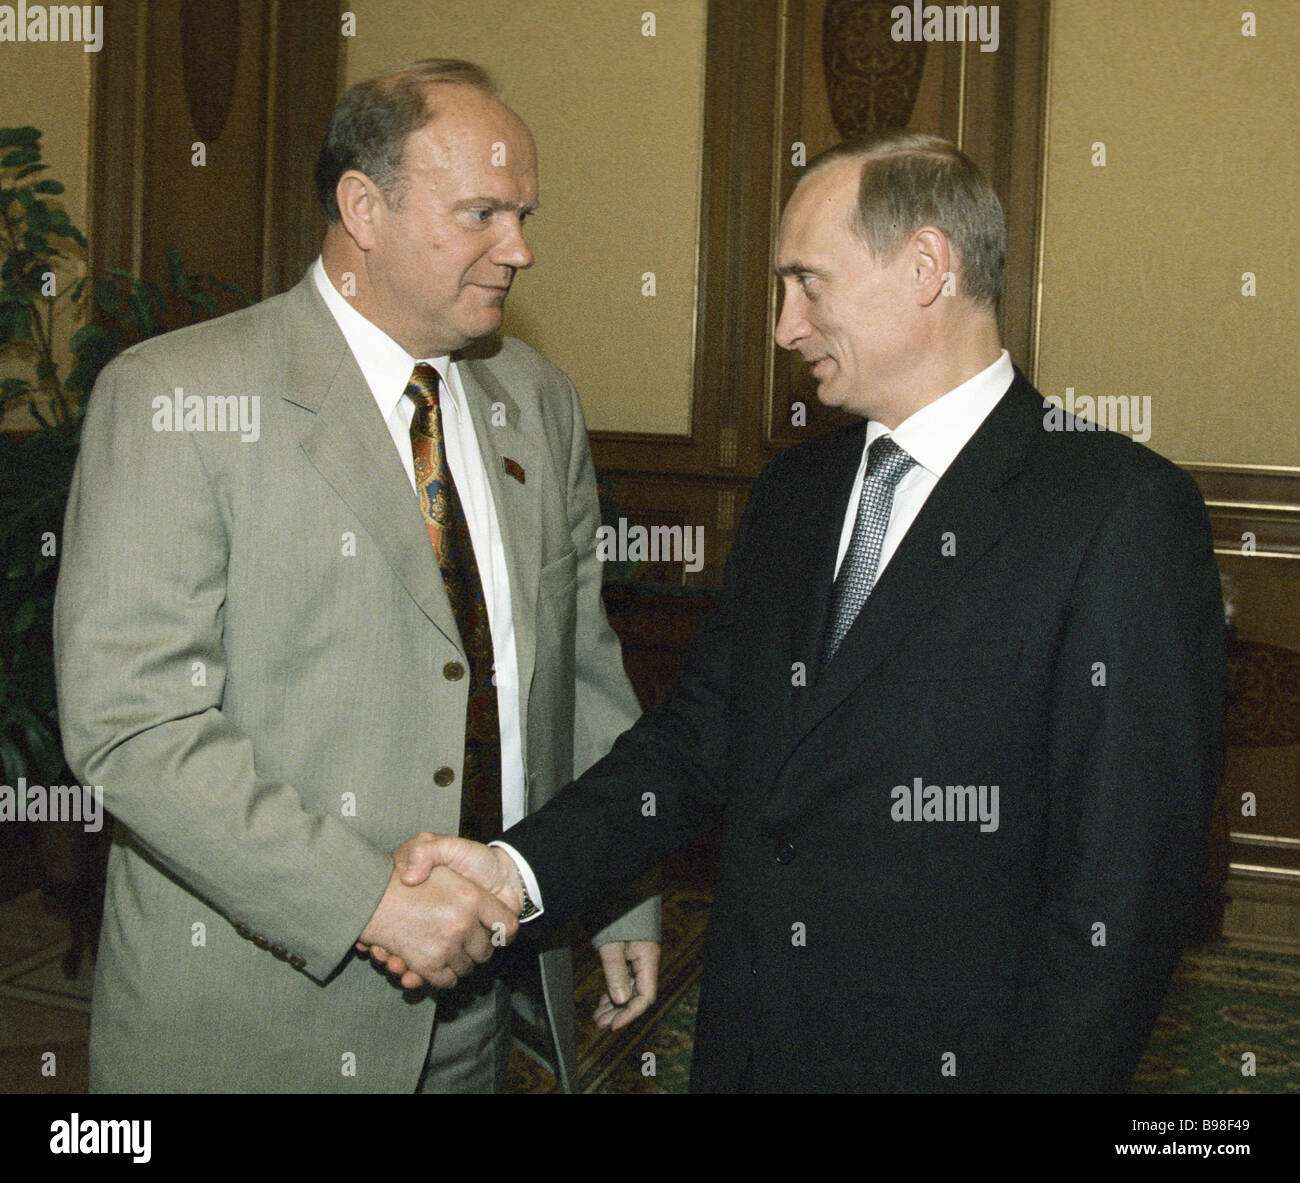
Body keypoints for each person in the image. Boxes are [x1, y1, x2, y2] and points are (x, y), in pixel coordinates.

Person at [374, 131, 1228, 1092]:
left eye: (808, 283)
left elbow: (1123, 891)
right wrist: (515, 874)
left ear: (927, 268)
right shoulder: (797, 492)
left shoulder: (1116, 510)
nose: (784, 326)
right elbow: (695, 745)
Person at [53, 59, 658, 1093]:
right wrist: (371, 901)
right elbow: (132, 724)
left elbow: (579, 672)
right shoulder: (174, 398)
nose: (519, 250)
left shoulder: (539, 402)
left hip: (483, 1014)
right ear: (362, 207)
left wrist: (616, 883)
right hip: (256, 1026)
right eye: (480, 214)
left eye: (521, 214)